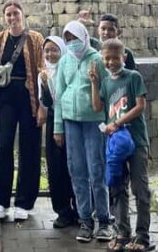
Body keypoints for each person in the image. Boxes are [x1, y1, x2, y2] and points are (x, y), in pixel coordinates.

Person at [53, 20, 112, 243]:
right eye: (67, 39)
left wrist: (108, 125)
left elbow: (107, 93)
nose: (71, 43)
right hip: (70, 122)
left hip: (93, 122)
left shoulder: (96, 59)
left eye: (75, 39)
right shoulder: (65, 60)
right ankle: (85, 219)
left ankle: (104, 220)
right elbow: (59, 96)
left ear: (84, 38)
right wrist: (58, 128)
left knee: (96, 169)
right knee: (76, 170)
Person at [91, 39, 152, 252]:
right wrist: (94, 83)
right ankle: (122, 233)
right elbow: (98, 107)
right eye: (106, 59)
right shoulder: (107, 82)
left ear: (123, 58)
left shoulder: (133, 77)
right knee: (117, 187)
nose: (111, 62)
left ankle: (142, 235)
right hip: (116, 143)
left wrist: (117, 122)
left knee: (140, 188)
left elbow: (140, 106)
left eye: (115, 58)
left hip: (135, 141)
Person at [0, 0, 45, 221]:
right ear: (4, 17)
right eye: (8, 14)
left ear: (23, 14)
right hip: (6, 97)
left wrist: (42, 105)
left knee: (29, 148)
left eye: (15, 13)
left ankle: (24, 201)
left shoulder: (35, 38)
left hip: (29, 95)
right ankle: (1, 201)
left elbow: (41, 69)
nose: (12, 18)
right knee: (3, 147)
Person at [37, 35, 77, 229]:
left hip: (72, 119)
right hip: (54, 119)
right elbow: (46, 101)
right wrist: (45, 84)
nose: (51, 54)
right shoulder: (43, 73)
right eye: (47, 51)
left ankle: (80, 209)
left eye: (54, 50)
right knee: (55, 166)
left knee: (75, 165)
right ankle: (62, 211)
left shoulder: (69, 68)